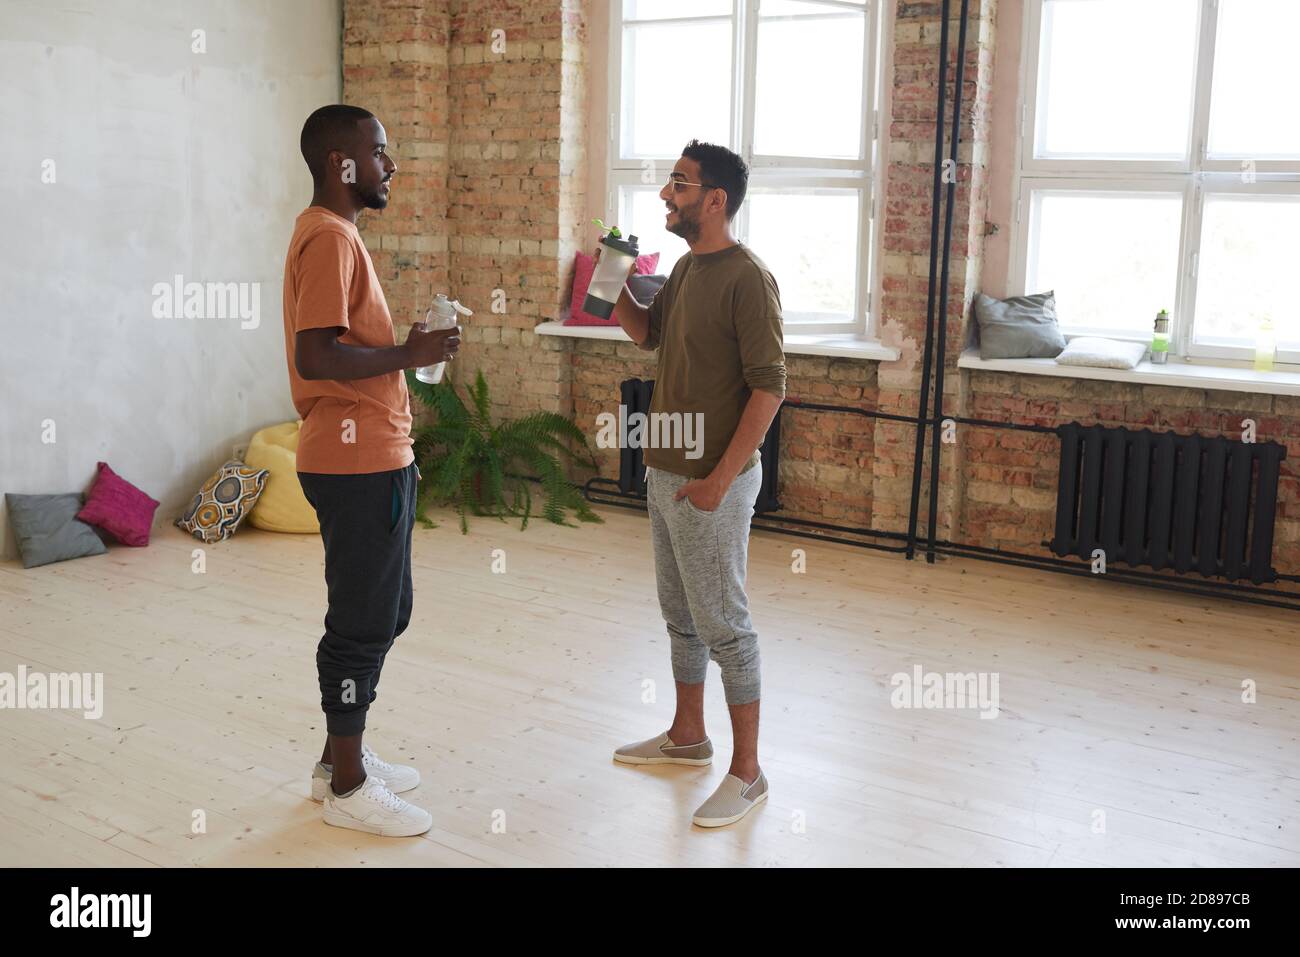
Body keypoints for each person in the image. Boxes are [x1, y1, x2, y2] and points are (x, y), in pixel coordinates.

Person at [282, 104, 460, 836]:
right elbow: (315, 355)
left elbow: (338, 344)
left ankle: (338, 760)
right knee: (359, 625)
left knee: (389, 613)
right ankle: (350, 788)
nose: (390, 165)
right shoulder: (328, 237)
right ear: (340, 162)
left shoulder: (335, 234)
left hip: (376, 455)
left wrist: (402, 353)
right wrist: (408, 357)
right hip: (355, 463)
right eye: (379, 151)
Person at [610, 140, 786, 828]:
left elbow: (770, 387)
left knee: (725, 625)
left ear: (715, 201)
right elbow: (643, 335)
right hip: (665, 467)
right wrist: (613, 273)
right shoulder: (685, 269)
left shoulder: (749, 277)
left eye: (678, 184)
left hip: (713, 478)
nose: (665, 194)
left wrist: (718, 479)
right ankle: (688, 735)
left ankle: (749, 772)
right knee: (680, 614)